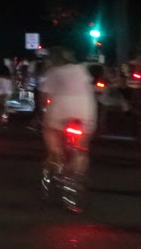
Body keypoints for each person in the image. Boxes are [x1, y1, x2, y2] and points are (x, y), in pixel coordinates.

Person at [38, 47, 98, 178]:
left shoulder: (53, 72)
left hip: (60, 109)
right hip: (85, 109)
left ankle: (56, 155)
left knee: (50, 131)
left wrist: (42, 110)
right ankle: (77, 177)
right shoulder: (83, 69)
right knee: (82, 147)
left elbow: (44, 97)